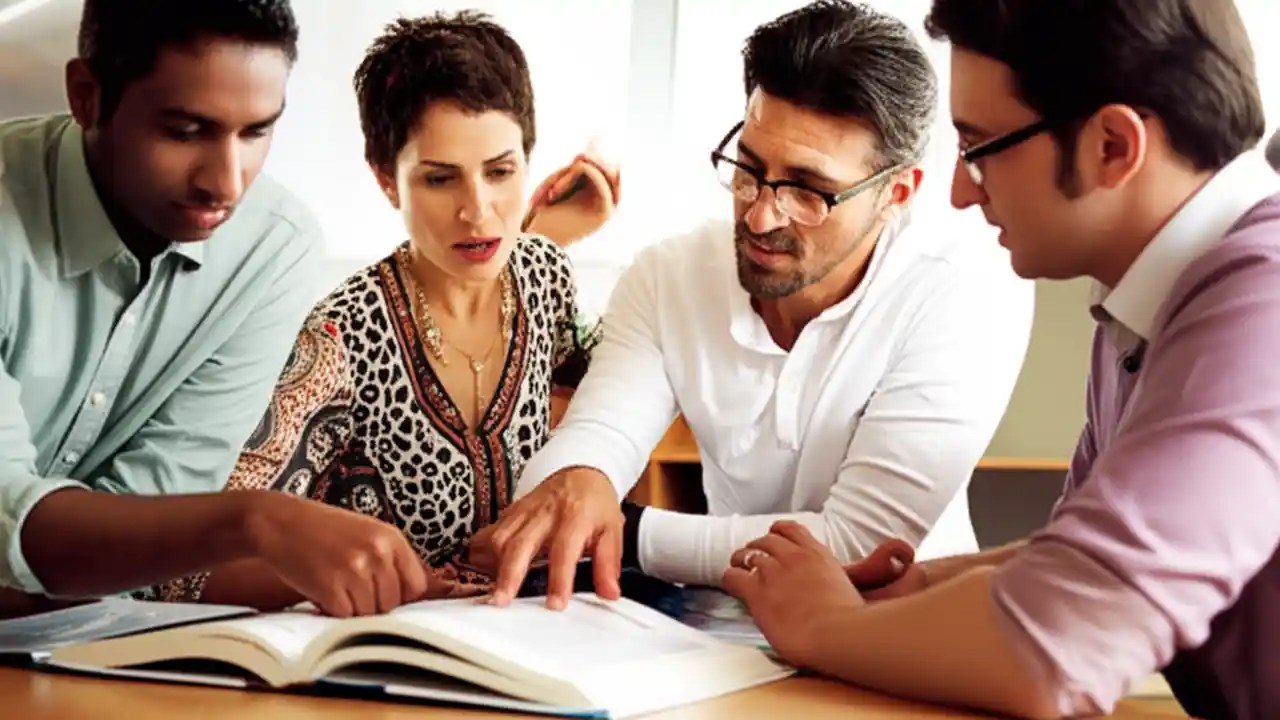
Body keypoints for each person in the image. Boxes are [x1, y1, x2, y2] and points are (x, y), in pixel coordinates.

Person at [722, 1, 1280, 718]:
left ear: (1112, 145)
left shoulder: (1262, 299)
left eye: (979, 148)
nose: (959, 191)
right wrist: (924, 589)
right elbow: (1082, 553)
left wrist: (825, 627)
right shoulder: (1144, 301)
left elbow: (1060, 645)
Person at [478, 0, 1034, 609]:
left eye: (807, 190)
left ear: (895, 193)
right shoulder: (669, 276)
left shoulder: (967, 284)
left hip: (906, 638)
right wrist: (582, 477)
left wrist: (631, 531)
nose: (762, 214)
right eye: (748, 167)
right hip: (724, 633)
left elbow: (863, 545)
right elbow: (591, 443)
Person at [145, 11, 618, 612]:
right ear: (387, 181)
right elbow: (188, 569)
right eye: (440, 180)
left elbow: (627, 387)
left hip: (549, 639)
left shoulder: (546, 277)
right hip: (387, 661)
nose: (478, 212)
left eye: (501, 172)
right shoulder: (338, 341)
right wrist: (377, 580)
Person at [0, 0, 440, 618]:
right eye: (185, 131)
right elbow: (16, 523)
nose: (227, 183)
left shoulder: (272, 250)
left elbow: (151, 527)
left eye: (257, 131)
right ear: (85, 95)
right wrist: (254, 520)